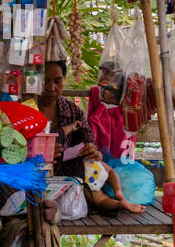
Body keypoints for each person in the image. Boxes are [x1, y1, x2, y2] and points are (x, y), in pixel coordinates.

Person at [35, 60, 144, 214]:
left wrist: (93, 151)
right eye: (46, 81)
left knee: (93, 189)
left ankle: (120, 203)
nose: (52, 88)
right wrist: (40, 154)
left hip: (70, 174)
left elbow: (89, 140)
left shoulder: (73, 111)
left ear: (63, 81)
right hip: (35, 173)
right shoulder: (27, 108)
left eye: (57, 81)